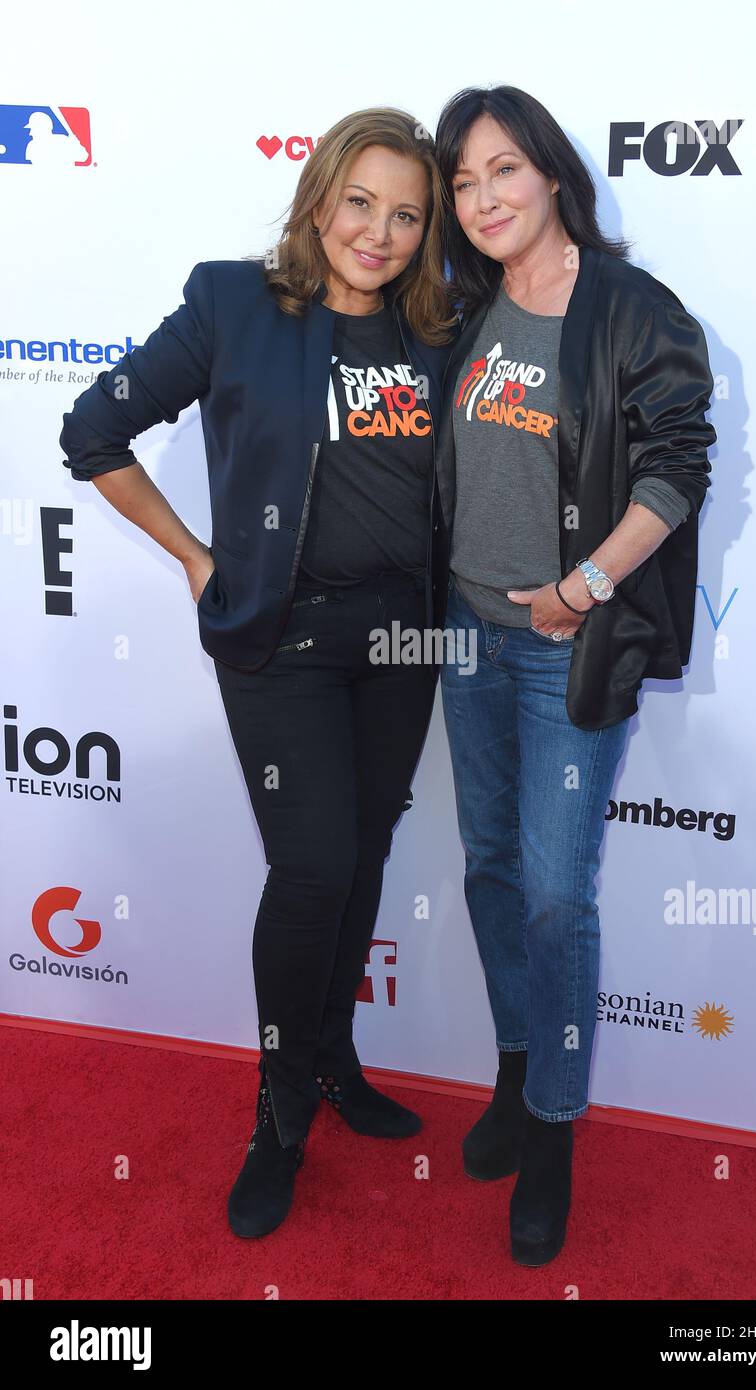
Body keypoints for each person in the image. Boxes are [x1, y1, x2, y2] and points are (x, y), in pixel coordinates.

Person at [59, 108, 459, 1239]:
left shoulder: (440, 330)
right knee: (312, 864)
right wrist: (195, 558)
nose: (377, 232)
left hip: (405, 642)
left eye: (405, 214)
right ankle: (278, 1113)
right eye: (359, 202)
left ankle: (332, 1059)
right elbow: (94, 433)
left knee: (362, 850)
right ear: (317, 195)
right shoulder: (237, 304)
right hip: (280, 641)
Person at [433, 85, 717, 1266]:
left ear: (551, 173)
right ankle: (512, 1070)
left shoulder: (632, 312)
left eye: (501, 169)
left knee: (557, 891)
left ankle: (550, 1125)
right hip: (462, 637)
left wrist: (581, 588)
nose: (482, 197)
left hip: (563, 645)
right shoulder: (460, 315)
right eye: (461, 181)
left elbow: (674, 468)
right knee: (491, 869)